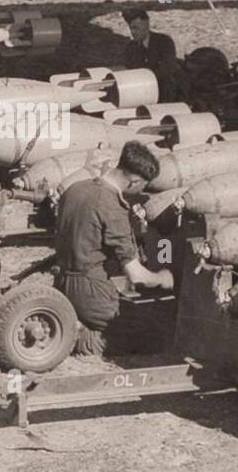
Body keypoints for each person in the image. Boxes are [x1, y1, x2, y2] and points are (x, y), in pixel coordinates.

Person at [53, 141, 174, 356]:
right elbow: (136, 276)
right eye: (142, 186)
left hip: (61, 284)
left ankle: (72, 322)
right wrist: (163, 278)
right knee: (152, 333)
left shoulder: (75, 188)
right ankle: (80, 339)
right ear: (134, 181)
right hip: (90, 292)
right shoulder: (112, 207)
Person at [121, 9, 187, 102]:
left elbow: (167, 68)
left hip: (166, 91)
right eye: (131, 28)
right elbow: (131, 71)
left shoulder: (164, 41)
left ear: (146, 24)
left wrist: (148, 81)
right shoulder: (130, 48)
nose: (133, 32)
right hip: (143, 91)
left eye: (136, 28)